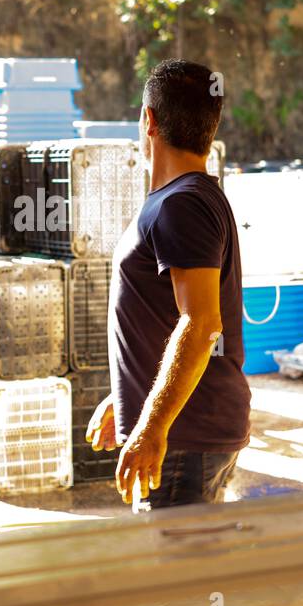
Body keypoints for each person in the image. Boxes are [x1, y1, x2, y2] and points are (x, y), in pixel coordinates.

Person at [86, 59, 251, 510]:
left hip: (186, 438)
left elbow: (200, 325)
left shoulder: (183, 205)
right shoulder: (190, 199)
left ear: (148, 120)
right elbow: (166, 317)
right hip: (189, 431)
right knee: (187, 572)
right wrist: (129, 395)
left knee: (182, 577)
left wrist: (151, 426)